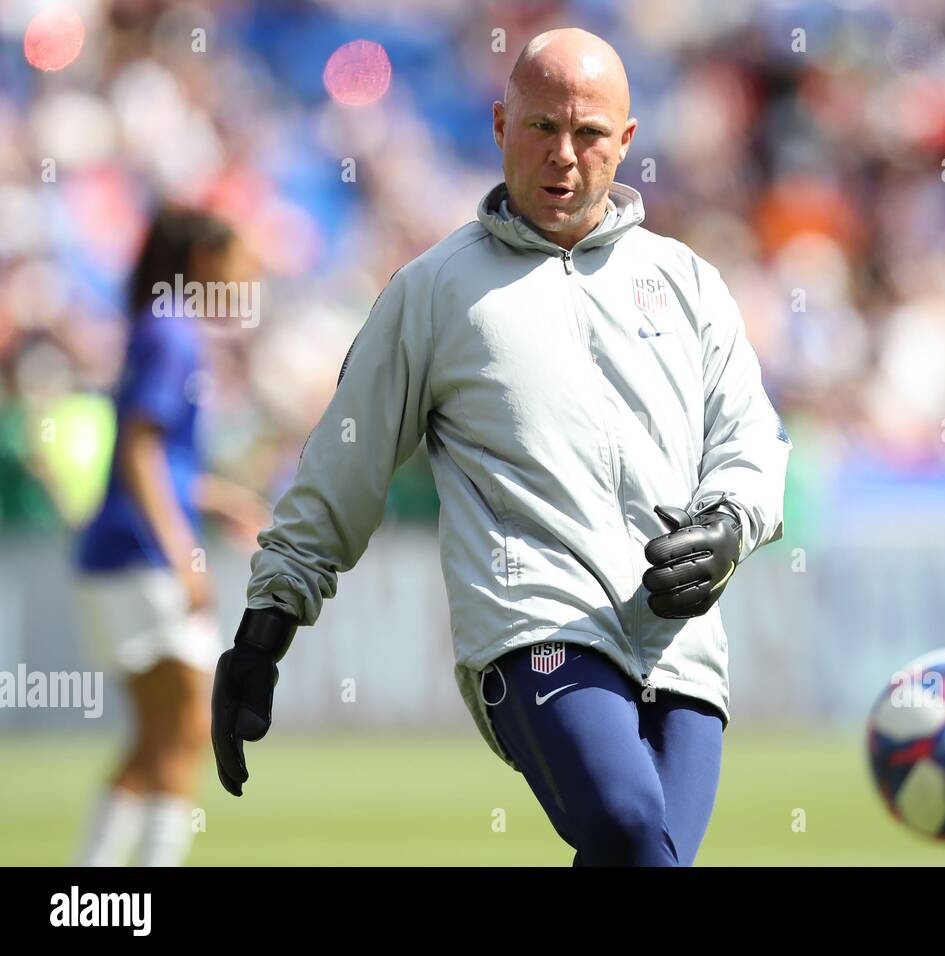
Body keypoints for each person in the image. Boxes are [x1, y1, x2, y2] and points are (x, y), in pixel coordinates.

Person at [211, 27, 791, 866]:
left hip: (681, 646)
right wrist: (264, 632)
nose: (564, 155)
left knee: (644, 857)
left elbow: (751, 439)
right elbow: (345, 465)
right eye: (540, 127)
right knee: (630, 827)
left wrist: (732, 525)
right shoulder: (433, 292)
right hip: (536, 630)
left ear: (626, 143)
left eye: (589, 133)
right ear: (497, 125)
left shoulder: (689, 282)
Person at [75, 206, 268, 866]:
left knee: (161, 735)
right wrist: (184, 555)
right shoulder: (174, 334)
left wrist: (215, 499)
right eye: (240, 254)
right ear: (204, 260)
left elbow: (157, 459)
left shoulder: (159, 328)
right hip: (141, 554)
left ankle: (92, 881)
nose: (250, 269)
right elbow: (137, 454)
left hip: (123, 551)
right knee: (185, 728)